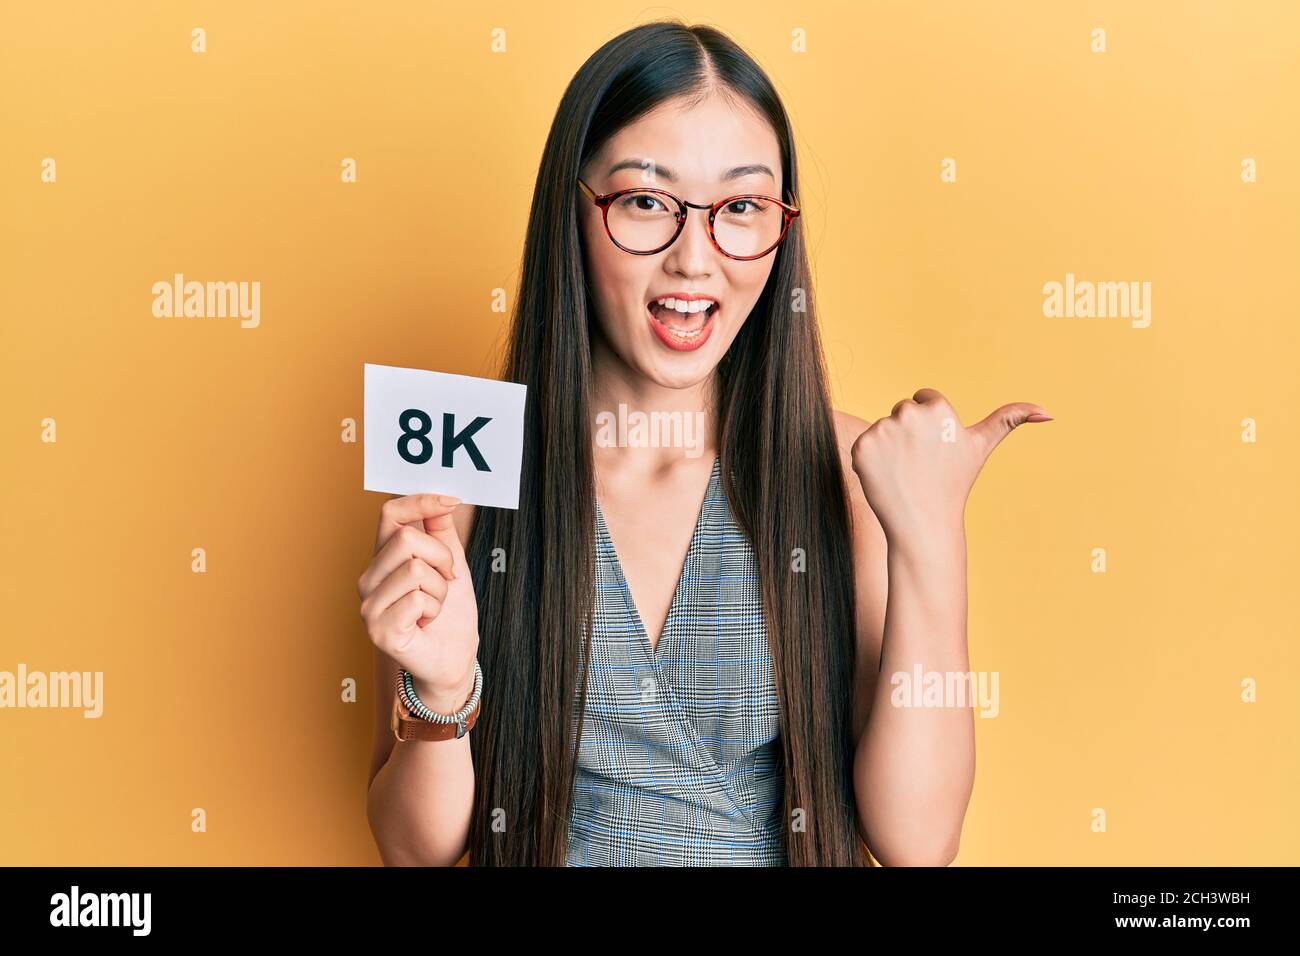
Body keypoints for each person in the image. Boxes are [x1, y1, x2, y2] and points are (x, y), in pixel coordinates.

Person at [358, 19, 1052, 867]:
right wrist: (443, 691)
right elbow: (412, 850)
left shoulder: (854, 472)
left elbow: (917, 843)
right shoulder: (460, 464)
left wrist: (932, 538)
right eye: (646, 201)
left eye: (742, 208)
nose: (696, 259)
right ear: (572, 211)